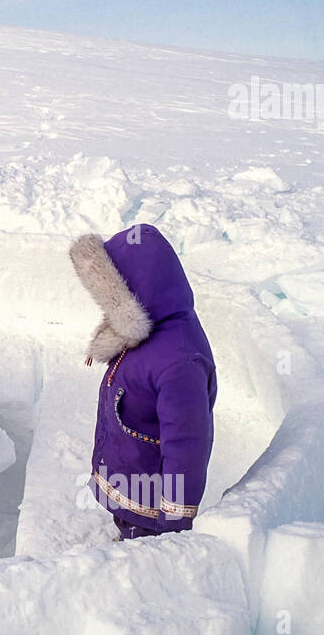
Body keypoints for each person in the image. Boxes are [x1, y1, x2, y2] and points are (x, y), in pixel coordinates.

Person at [68, 224, 216, 540]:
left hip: (149, 504)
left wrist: (174, 518)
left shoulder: (179, 361)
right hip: (132, 476)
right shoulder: (147, 330)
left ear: (137, 291)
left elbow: (187, 445)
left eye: (113, 297)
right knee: (129, 528)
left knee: (142, 556)